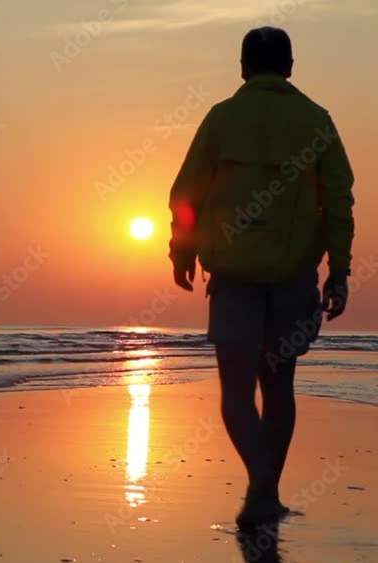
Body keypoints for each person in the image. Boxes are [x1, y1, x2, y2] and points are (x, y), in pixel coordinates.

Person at [167, 27, 355, 527]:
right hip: (293, 276)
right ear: (290, 66)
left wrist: (180, 250)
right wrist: (339, 271)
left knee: (235, 395)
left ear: (243, 68)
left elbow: (186, 192)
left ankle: (262, 485)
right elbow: (339, 202)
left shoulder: (222, 118)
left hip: (232, 275)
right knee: (279, 388)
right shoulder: (317, 121)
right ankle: (266, 488)